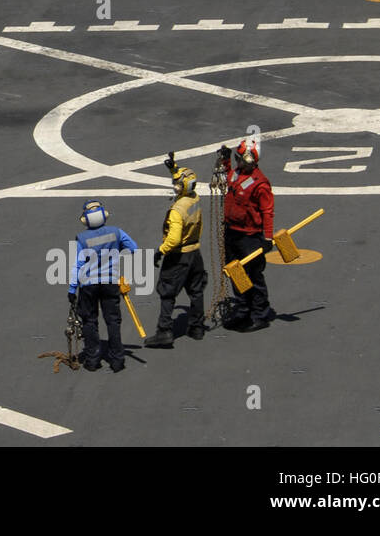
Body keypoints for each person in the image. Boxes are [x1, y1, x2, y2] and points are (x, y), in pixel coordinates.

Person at [67, 200, 138, 372]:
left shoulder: (82, 239)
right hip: (110, 282)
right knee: (113, 321)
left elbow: (77, 265)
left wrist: (72, 289)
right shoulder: (116, 232)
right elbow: (133, 247)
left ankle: (93, 360)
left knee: (90, 321)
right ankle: (117, 360)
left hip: (88, 285)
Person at [144, 160, 208, 347]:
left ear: (184, 187)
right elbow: (185, 180)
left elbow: (173, 239)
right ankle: (196, 327)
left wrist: (160, 251)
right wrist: (174, 169)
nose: (175, 186)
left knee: (167, 291)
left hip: (179, 256)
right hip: (195, 253)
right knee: (196, 290)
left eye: (178, 184)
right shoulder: (194, 198)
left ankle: (164, 331)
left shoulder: (177, 211)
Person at [219, 140, 276, 332]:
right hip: (233, 233)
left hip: (249, 237)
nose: (236, 161)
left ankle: (259, 314)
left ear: (248, 161)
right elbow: (228, 178)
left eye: (238, 158)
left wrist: (268, 238)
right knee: (236, 272)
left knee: (254, 276)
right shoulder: (236, 173)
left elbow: (267, 211)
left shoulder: (260, 184)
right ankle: (243, 308)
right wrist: (226, 162)